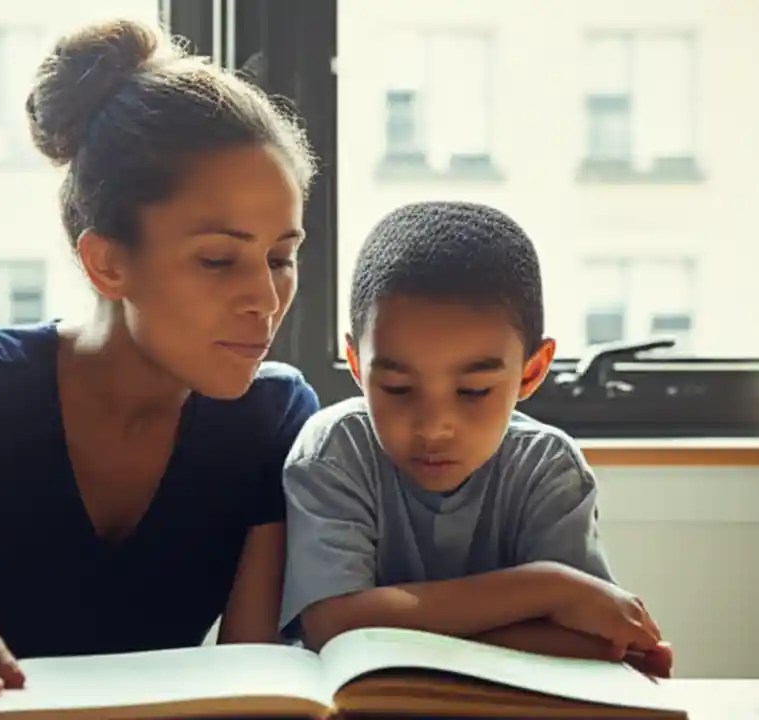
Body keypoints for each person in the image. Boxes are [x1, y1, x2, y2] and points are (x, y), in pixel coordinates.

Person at [0, 18, 319, 713]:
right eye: (217, 259)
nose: (265, 299)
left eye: (280, 257)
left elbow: (252, 676)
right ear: (107, 262)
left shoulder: (274, 418)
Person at [279, 201, 674, 677]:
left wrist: (385, 623)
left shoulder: (548, 467)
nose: (433, 427)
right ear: (357, 365)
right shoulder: (334, 453)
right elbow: (333, 623)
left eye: (473, 391)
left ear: (532, 372)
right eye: (398, 388)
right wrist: (546, 589)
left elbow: (592, 641)